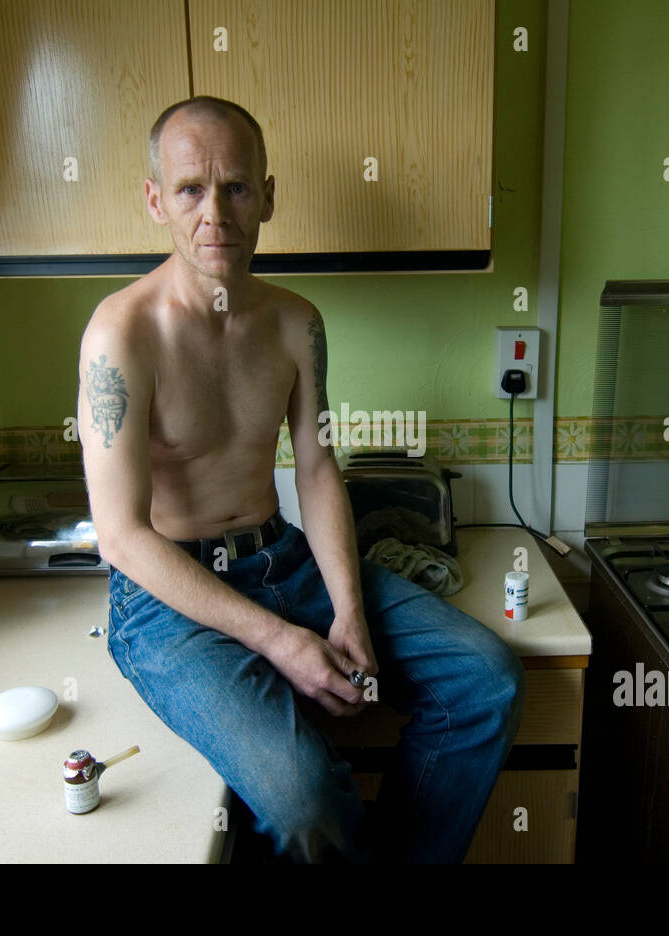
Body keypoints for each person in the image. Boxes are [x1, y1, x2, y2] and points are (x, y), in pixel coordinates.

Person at [76, 95, 524, 862]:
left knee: (486, 678)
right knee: (301, 791)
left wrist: (346, 610)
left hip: (284, 560)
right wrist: (282, 642)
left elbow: (316, 468)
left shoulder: (296, 322)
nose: (215, 211)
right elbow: (119, 534)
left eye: (237, 186)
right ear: (156, 200)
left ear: (269, 197)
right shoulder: (121, 334)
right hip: (167, 600)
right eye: (190, 188)